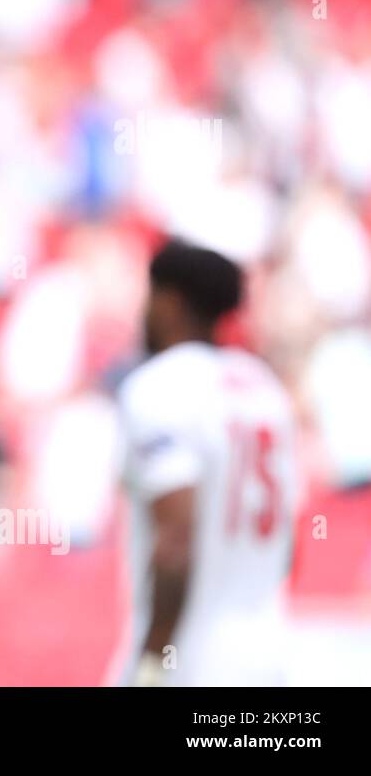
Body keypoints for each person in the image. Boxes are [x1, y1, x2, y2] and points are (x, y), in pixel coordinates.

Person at [109, 239, 298, 687]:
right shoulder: (264, 385)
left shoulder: (158, 387)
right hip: (267, 655)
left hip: (190, 660)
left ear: (170, 302)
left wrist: (154, 661)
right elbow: (290, 540)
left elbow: (176, 539)